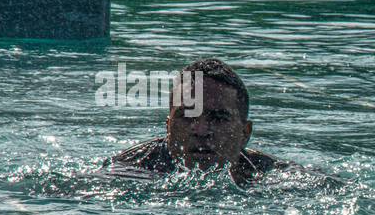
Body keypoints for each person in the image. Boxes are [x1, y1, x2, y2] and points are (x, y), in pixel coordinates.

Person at [103, 58, 292, 186]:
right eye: (187, 116)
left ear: (245, 133)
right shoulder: (127, 171)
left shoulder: (276, 176)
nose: (201, 131)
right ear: (168, 128)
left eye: (218, 118)